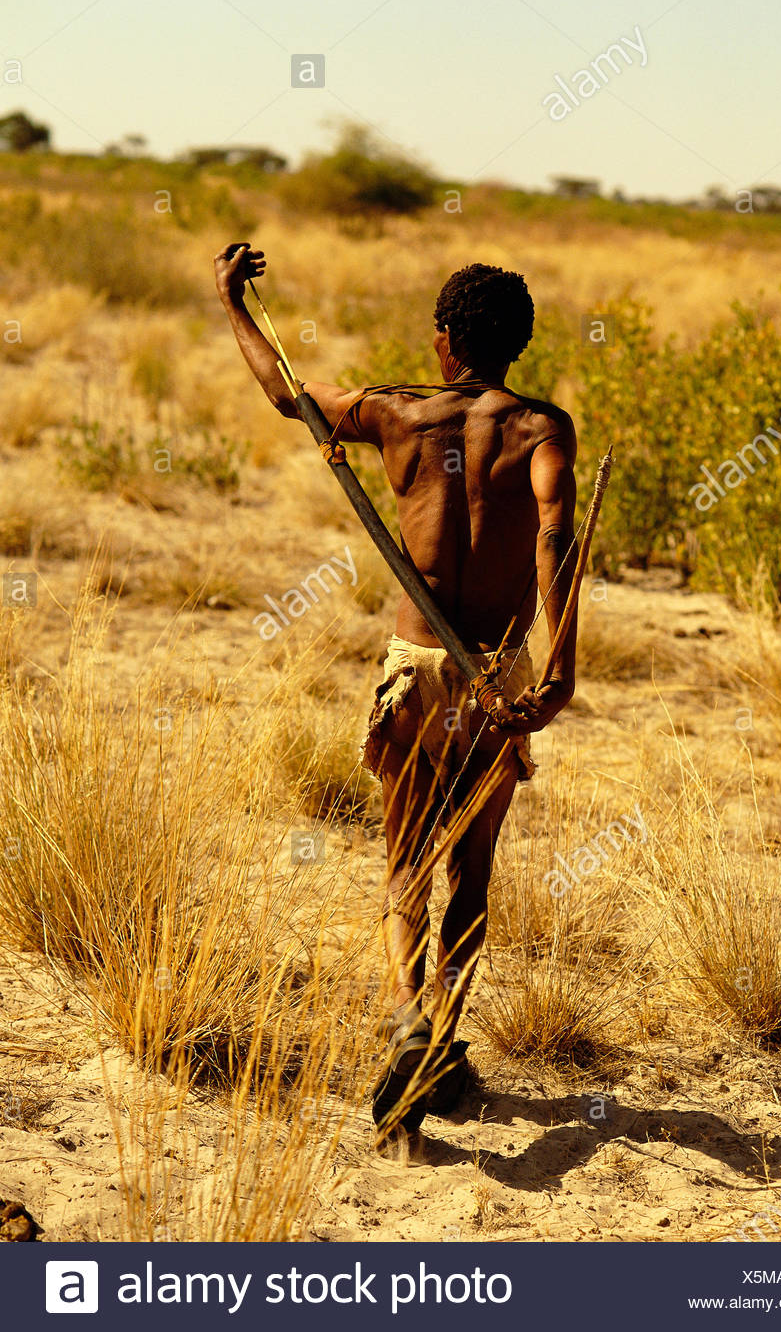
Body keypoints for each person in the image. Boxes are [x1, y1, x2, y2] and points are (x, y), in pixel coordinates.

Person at [215, 243, 578, 1139]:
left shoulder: (397, 414)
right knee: (475, 871)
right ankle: (442, 1029)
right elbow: (555, 542)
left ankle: (415, 1021)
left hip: (418, 671)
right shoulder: (542, 429)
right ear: (516, 346)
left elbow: (288, 394)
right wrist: (561, 670)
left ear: (445, 341)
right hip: (499, 677)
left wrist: (235, 305)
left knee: (405, 864)